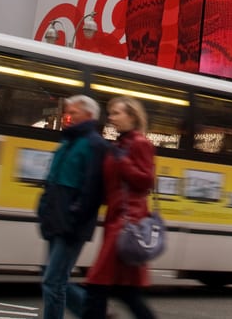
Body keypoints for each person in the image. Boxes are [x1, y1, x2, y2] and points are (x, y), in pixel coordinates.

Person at [81, 97, 157, 319]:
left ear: (131, 116)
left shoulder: (140, 144)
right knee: (126, 291)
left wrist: (123, 162)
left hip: (127, 224)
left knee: (97, 284)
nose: (111, 118)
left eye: (116, 113)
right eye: (110, 113)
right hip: (115, 220)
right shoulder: (118, 145)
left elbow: (146, 181)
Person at [37, 95, 107, 319]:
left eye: (74, 112)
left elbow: (94, 190)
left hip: (71, 224)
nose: (68, 117)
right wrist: (44, 206)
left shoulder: (94, 145)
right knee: (54, 278)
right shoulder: (68, 140)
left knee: (53, 281)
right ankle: (92, 312)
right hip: (55, 218)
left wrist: (74, 215)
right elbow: (53, 179)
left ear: (88, 115)